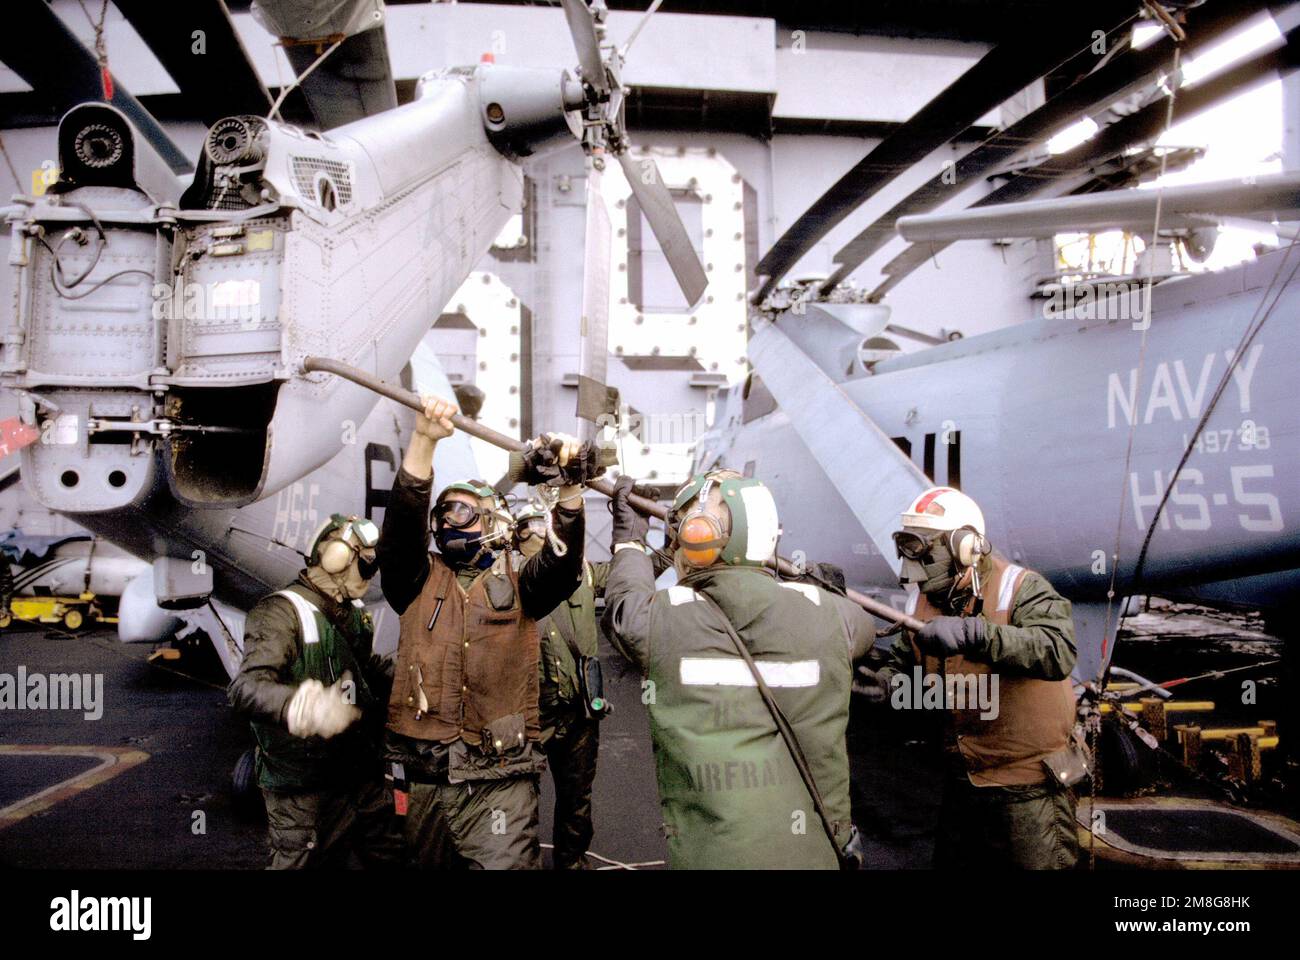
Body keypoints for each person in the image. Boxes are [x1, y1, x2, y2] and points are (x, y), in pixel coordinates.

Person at [602, 470, 874, 869]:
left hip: (716, 855)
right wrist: (820, 593)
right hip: (815, 853)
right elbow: (860, 630)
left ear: (699, 537)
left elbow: (623, 610)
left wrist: (630, 544)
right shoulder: (836, 616)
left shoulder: (663, 619)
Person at [377, 395, 591, 869]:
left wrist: (570, 489)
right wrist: (423, 441)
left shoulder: (521, 585)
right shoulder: (413, 579)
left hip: (500, 779)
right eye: (446, 511)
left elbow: (563, 566)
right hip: (424, 776)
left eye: (466, 511)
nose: (452, 519)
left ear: (494, 523)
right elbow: (401, 524)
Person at [874, 486, 1081, 870]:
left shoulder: (1020, 588)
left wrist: (977, 635)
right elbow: (904, 664)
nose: (912, 569)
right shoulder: (922, 600)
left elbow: (1057, 650)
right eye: (907, 551)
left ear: (966, 547)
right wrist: (885, 685)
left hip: (1027, 788)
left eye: (923, 551)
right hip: (962, 784)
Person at [228, 514, 402, 869]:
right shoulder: (280, 614)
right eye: (367, 565)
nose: (372, 576)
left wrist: (416, 680)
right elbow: (245, 688)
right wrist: (300, 706)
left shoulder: (353, 613)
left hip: (354, 771)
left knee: (388, 852)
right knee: (300, 860)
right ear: (336, 559)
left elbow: (366, 667)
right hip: (299, 785)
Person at [515, 494, 668, 869]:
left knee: (577, 798)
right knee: (519, 804)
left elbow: (634, 571)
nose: (537, 531)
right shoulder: (507, 580)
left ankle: (571, 861)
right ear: (516, 537)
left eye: (543, 524)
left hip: (579, 710)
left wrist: (663, 538)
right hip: (529, 717)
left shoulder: (582, 572)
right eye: (529, 526)